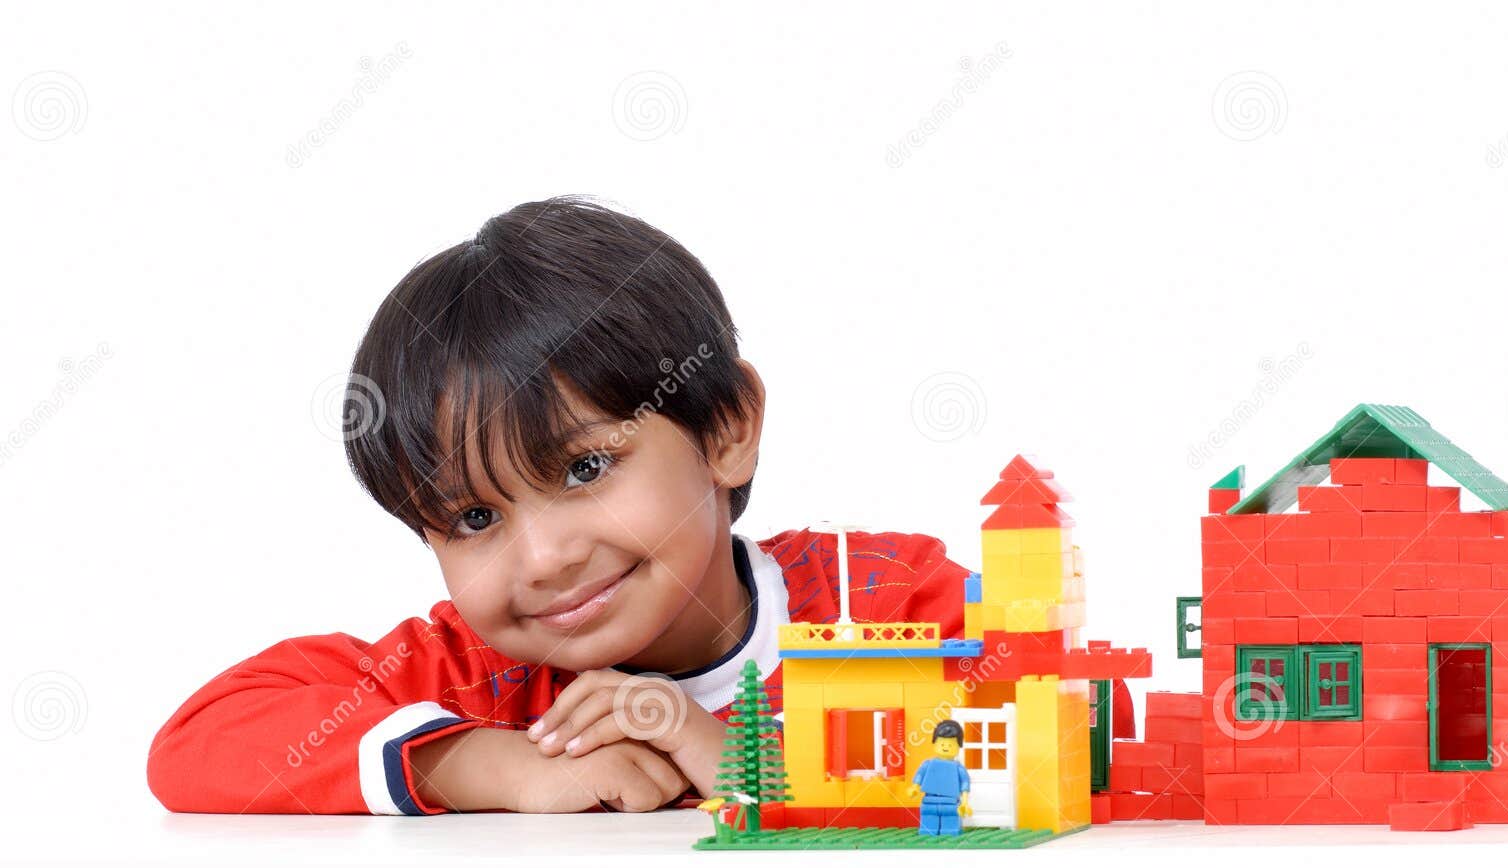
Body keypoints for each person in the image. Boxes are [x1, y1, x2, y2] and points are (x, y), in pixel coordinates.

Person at [147, 197, 971, 816]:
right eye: (474, 519)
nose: (544, 559)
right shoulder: (481, 677)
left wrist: (733, 756)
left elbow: (1076, 734)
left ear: (725, 427)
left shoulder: (886, 598)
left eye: (585, 467)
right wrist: (492, 766)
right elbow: (199, 742)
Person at [909, 720, 972, 836]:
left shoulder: (958, 768)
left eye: (950, 745)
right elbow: (919, 776)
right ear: (935, 744)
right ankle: (928, 831)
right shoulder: (928, 764)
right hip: (929, 801)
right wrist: (915, 787)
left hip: (951, 802)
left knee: (951, 820)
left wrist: (965, 802)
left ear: (958, 747)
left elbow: (965, 785)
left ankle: (950, 831)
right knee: (928, 818)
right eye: (942, 744)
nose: (946, 748)